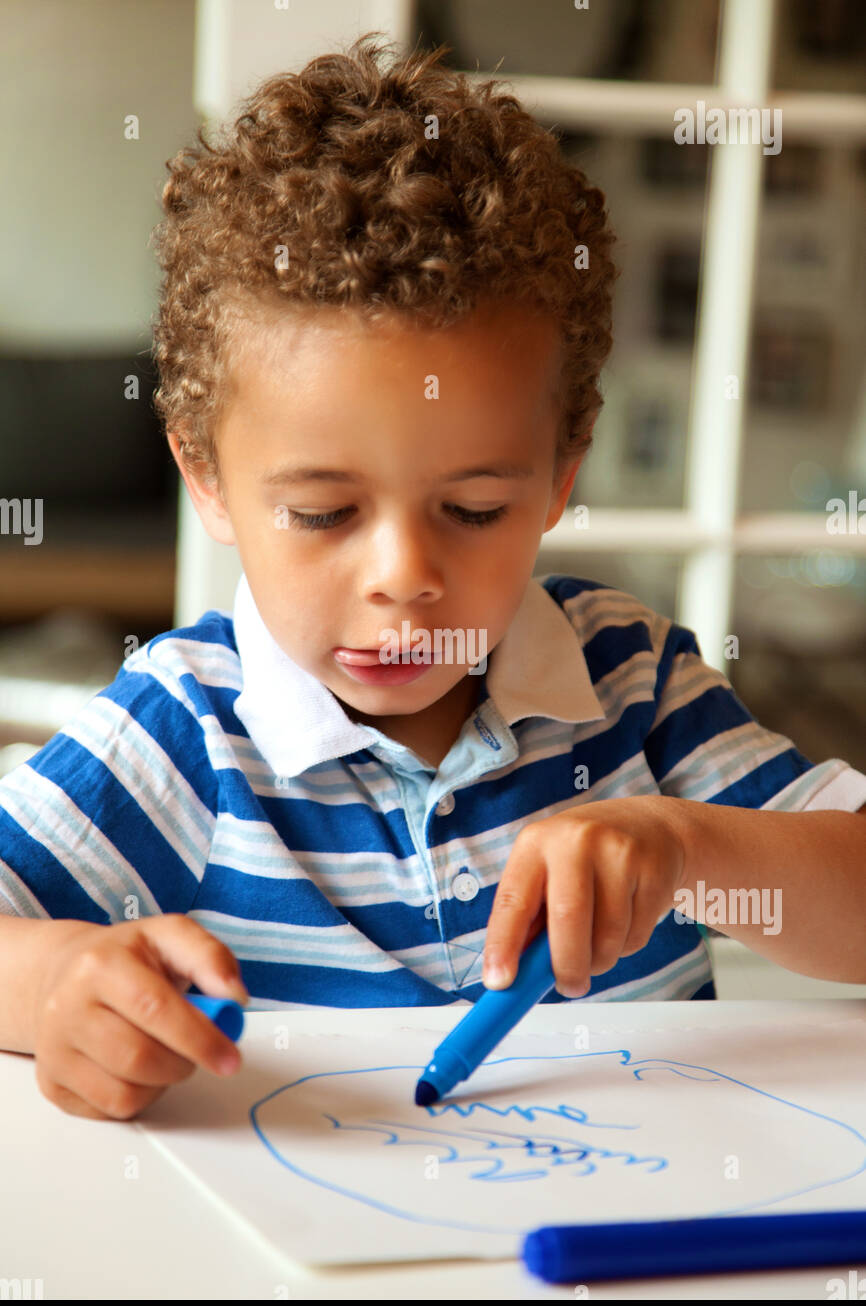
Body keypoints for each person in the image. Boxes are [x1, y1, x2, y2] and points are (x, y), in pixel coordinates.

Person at [1, 35, 864, 1121]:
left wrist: (686, 847)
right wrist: (53, 987)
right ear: (206, 479)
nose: (404, 577)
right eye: (324, 513)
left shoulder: (633, 684)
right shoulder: (184, 734)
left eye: (474, 509)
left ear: (560, 476)